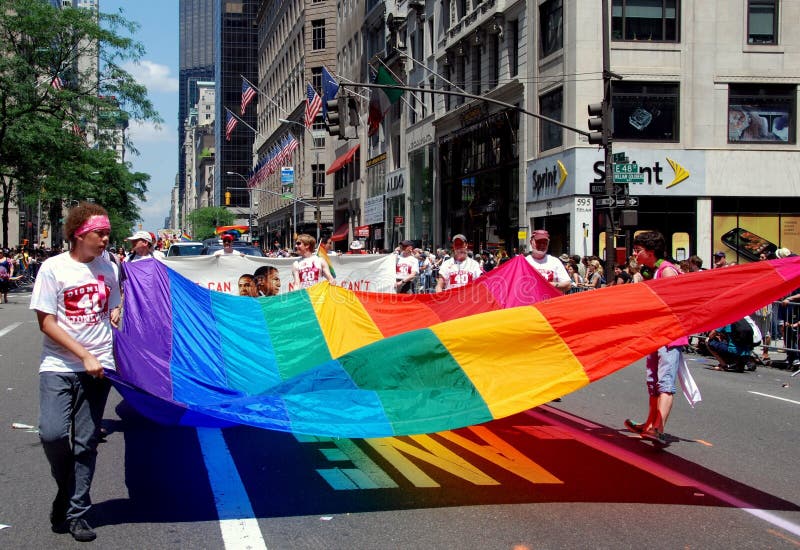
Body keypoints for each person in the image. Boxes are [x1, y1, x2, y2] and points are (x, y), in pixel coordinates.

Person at [30, 202, 121, 542]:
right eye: (100, 232)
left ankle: (78, 511)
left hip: (99, 368)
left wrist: (116, 313)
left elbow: (113, 304)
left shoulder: (109, 269)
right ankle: (67, 489)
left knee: (85, 442)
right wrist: (82, 355)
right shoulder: (53, 269)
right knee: (52, 433)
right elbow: (46, 322)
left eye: (107, 232)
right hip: (59, 366)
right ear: (79, 234)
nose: (105, 238)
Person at [625, 231, 686, 445]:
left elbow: (672, 304)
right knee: (653, 381)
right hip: (655, 334)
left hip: (669, 336)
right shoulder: (652, 271)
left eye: (638, 250)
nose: (634, 253)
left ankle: (658, 428)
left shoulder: (667, 271)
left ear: (650, 252)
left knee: (665, 383)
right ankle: (649, 423)